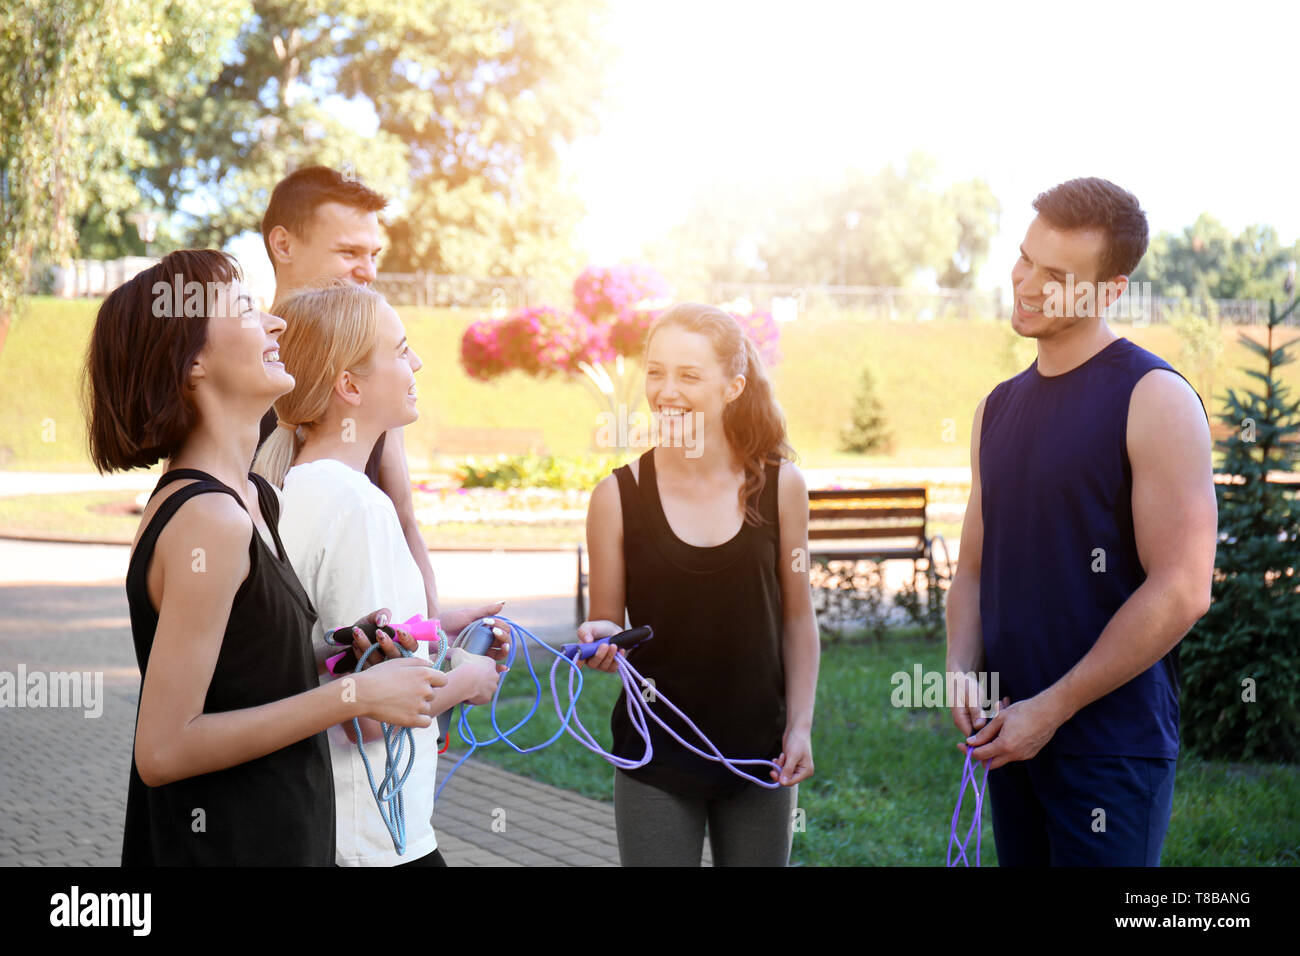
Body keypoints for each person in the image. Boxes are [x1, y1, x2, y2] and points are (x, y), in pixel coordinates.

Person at [85, 250, 445, 866]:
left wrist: (342, 653)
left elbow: (244, 676)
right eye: (247, 310)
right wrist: (353, 696)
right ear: (193, 360)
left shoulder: (255, 499)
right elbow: (164, 749)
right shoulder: (210, 519)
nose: (276, 324)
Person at [946, 178, 1217, 866]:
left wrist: (1053, 708)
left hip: (1109, 746)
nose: (1027, 282)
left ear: (1109, 290)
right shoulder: (996, 408)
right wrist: (960, 669)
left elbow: (1183, 588)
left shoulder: (1153, 397)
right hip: (1011, 735)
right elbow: (974, 566)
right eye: (1025, 257)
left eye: (1057, 275)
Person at [253, 282, 503, 867]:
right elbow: (368, 714)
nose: (416, 362)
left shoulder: (298, 488)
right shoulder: (356, 505)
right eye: (401, 349)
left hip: (339, 824)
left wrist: (435, 629)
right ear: (349, 385)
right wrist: (472, 678)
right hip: (372, 836)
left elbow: (341, 650)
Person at [578, 303, 819, 867]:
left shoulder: (783, 487)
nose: (666, 391)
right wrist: (601, 638)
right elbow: (607, 621)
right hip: (654, 755)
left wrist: (800, 727)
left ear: (733, 385)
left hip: (761, 757)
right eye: (655, 371)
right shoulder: (614, 497)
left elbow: (796, 617)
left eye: (689, 375)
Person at [257, 165, 449, 622]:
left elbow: (404, 517)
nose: (367, 271)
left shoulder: (374, 365)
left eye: (373, 254)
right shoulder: (235, 370)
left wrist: (434, 632)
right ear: (283, 245)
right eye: (348, 252)